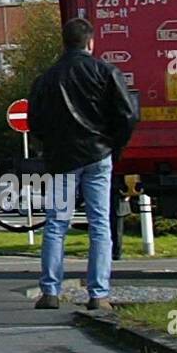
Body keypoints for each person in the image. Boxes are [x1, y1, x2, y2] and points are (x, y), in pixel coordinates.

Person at [28, 17, 137, 311]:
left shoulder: (47, 78)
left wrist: (49, 146)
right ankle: (98, 293)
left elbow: (35, 121)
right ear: (90, 42)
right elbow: (127, 114)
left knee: (56, 224)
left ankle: (50, 291)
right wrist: (114, 145)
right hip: (98, 155)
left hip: (62, 160)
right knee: (100, 224)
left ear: (64, 43)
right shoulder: (105, 71)